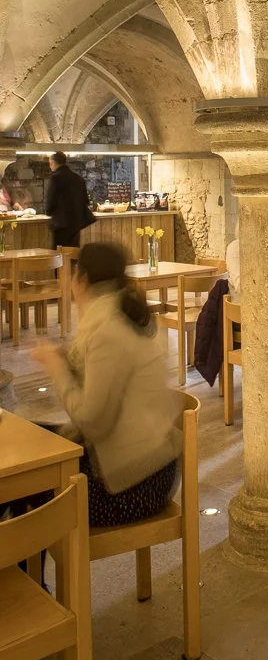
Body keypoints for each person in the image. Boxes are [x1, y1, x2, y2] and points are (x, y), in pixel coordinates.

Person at [30, 242, 181, 527]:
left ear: (82, 279)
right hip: (153, 466)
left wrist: (58, 369)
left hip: (133, 484)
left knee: (23, 482)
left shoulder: (106, 329)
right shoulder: (120, 310)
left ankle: (20, 565)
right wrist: (70, 365)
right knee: (32, 442)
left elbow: (92, 422)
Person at [45, 151, 95, 249]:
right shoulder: (78, 178)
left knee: (59, 253)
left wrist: (48, 212)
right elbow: (86, 200)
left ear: (54, 163)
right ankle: (72, 265)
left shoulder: (56, 178)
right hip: (76, 223)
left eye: (50, 164)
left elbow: (51, 201)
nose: (50, 167)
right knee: (73, 252)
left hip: (61, 224)